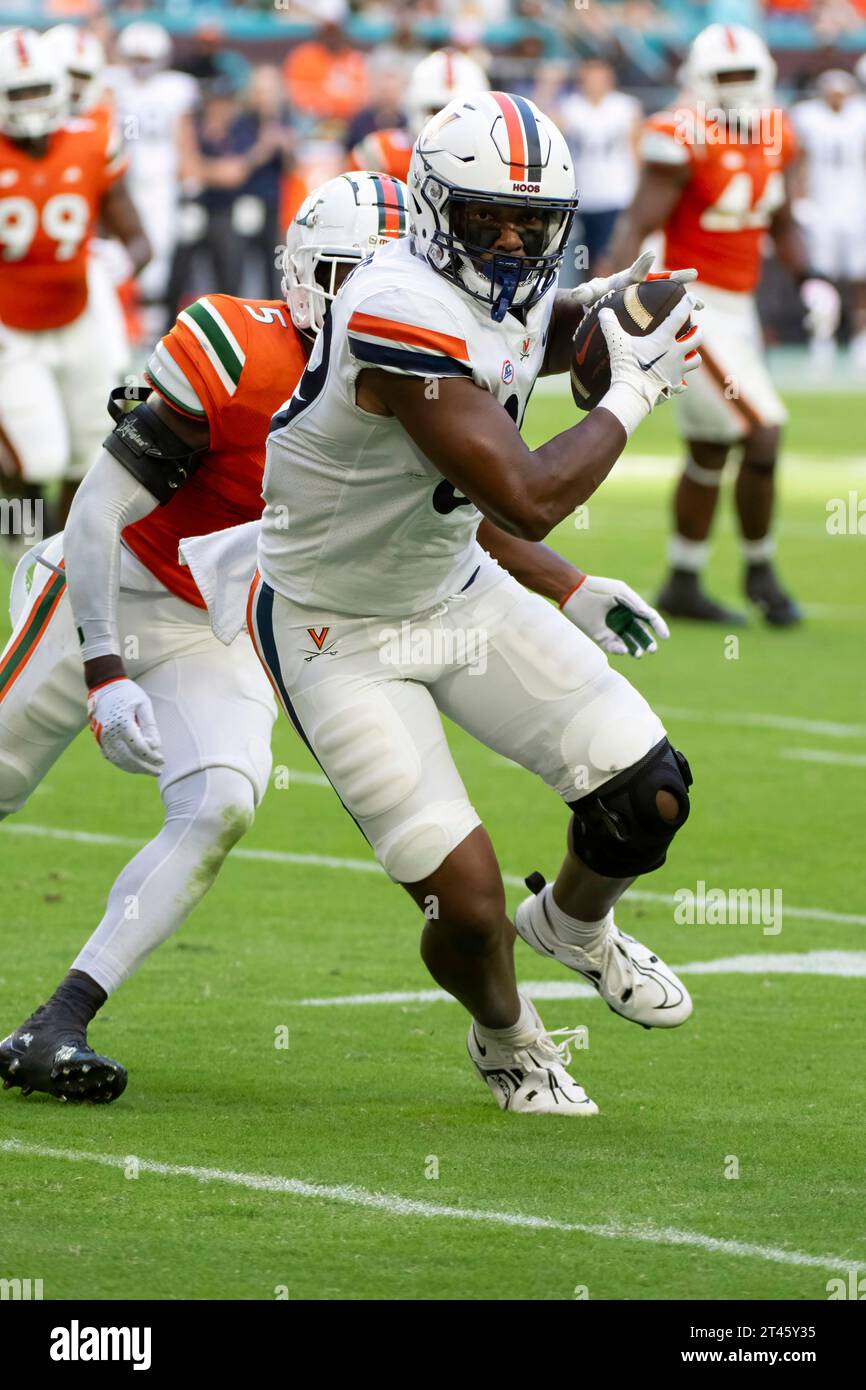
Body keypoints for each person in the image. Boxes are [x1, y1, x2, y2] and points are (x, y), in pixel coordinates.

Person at [0, 168, 671, 1104]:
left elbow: (436, 511)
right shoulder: (246, 347)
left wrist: (568, 587)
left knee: (222, 803)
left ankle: (59, 1020)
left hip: (221, 617)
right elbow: (100, 504)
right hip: (111, 585)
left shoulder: (421, 360)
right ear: (320, 278)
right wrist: (106, 668)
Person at [254, 92, 702, 1117]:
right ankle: (507, 1038)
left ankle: (577, 927)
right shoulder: (392, 303)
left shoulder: (491, 292)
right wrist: (630, 387)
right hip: (338, 631)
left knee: (648, 797)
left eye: (529, 224)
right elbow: (529, 497)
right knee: (466, 906)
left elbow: (510, 343)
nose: (508, 241)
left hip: (454, 589)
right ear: (428, 209)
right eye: (483, 217)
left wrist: (604, 311)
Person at [606, 23, 840, 626]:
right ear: (699, 82)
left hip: (741, 305)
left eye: (745, 76)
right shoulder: (680, 136)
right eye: (725, 77)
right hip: (690, 303)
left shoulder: (777, 135)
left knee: (710, 449)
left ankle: (684, 579)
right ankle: (761, 572)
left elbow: (782, 220)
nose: (737, 88)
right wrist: (609, 289)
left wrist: (809, 275)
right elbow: (636, 221)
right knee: (763, 431)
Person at [0, 27, 149, 527]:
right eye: (17, 92)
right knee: (38, 457)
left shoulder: (90, 140)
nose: (31, 104)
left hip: (78, 311)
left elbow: (137, 237)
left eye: (38, 88)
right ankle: (18, 527)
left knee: (90, 450)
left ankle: (56, 548)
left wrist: (124, 260)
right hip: (11, 322)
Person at [791, 68, 866, 369]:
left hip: (857, 205)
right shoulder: (807, 117)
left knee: (861, 278)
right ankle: (822, 339)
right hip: (821, 207)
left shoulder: (860, 116)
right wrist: (800, 199)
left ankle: (861, 341)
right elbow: (800, 161)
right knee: (822, 278)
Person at [558, 58, 642, 277]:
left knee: (607, 262)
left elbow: (636, 149)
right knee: (583, 261)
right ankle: (586, 307)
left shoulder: (624, 106)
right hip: (582, 197)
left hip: (615, 194)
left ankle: (608, 305)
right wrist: (547, 85)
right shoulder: (571, 107)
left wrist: (638, 189)